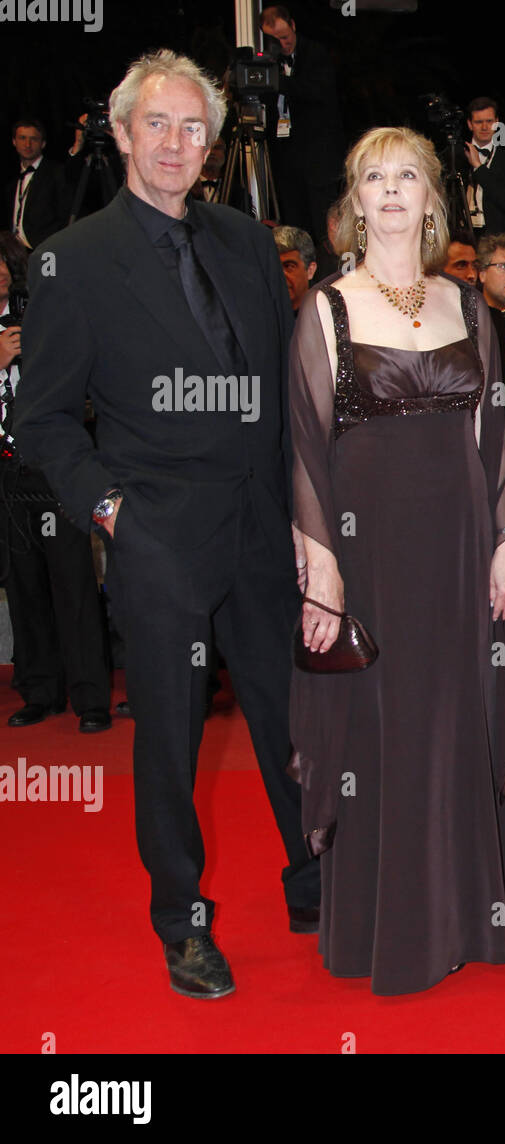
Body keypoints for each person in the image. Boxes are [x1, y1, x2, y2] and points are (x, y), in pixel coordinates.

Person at [16, 49, 319, 999]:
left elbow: (277, 397)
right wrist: (114, 516)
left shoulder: (243, 240)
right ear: (121, 134)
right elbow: (44, 420)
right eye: (159, 124)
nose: (178, 143)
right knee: (174, 741)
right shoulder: (78, 259)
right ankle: (183, 922)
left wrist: (308, 524)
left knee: (293, 722)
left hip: (263, 530)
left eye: (195, 128)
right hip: (158, 542)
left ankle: (317, 880)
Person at [289, 125, 505, 993]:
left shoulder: (467, 305)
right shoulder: (325, 307)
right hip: (371, 549)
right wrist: (322, 571)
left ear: (433, 199)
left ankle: (469, 912)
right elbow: (304, 448)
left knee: (453, 712)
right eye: (374, 178)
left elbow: (494, 435)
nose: (392, 191)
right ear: (354, 202)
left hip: (460, 540)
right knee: (384, 723)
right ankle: (391, 925)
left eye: (408, 177)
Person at [1, 235, 112, 733]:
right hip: (6, 474)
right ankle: (39, 689)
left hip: (53, 469)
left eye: (5, 263)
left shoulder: (43, 317)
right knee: (24, 586)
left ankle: (91, 696)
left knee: (74, 583)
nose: (1, 272)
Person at [260, 4, 346, 242]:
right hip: (286, 159)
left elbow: (318, 92)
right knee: (294, 227)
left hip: (318, 161)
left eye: (285, 37)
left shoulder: (316, 54)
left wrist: (279, 82)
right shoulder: (269, 61)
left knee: (323, 229)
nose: (283, 44)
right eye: (274, 40)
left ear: (294, 26)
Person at [6, 119, 68, 250]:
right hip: (15, 254)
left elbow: (66, 216)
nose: (27, 144)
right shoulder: (10, 178)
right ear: (14, 141)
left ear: (43, 143)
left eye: (33, 139)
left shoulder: (56, 173)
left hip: (45, 251)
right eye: (22, 138)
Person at [464, 97, 505, 239]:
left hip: (496, 236)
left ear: (497, 123)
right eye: (478, 122)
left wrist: (478, 166)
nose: (484, 127)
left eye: (489, 121)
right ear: (470, 124)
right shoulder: (455, 155)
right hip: (461, 235)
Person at [272, 224, 317, 314]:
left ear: (310, 271)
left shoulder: (325, 316)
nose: (279, 275)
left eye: (289, 266)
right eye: (273, 267)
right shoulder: (258, 317)